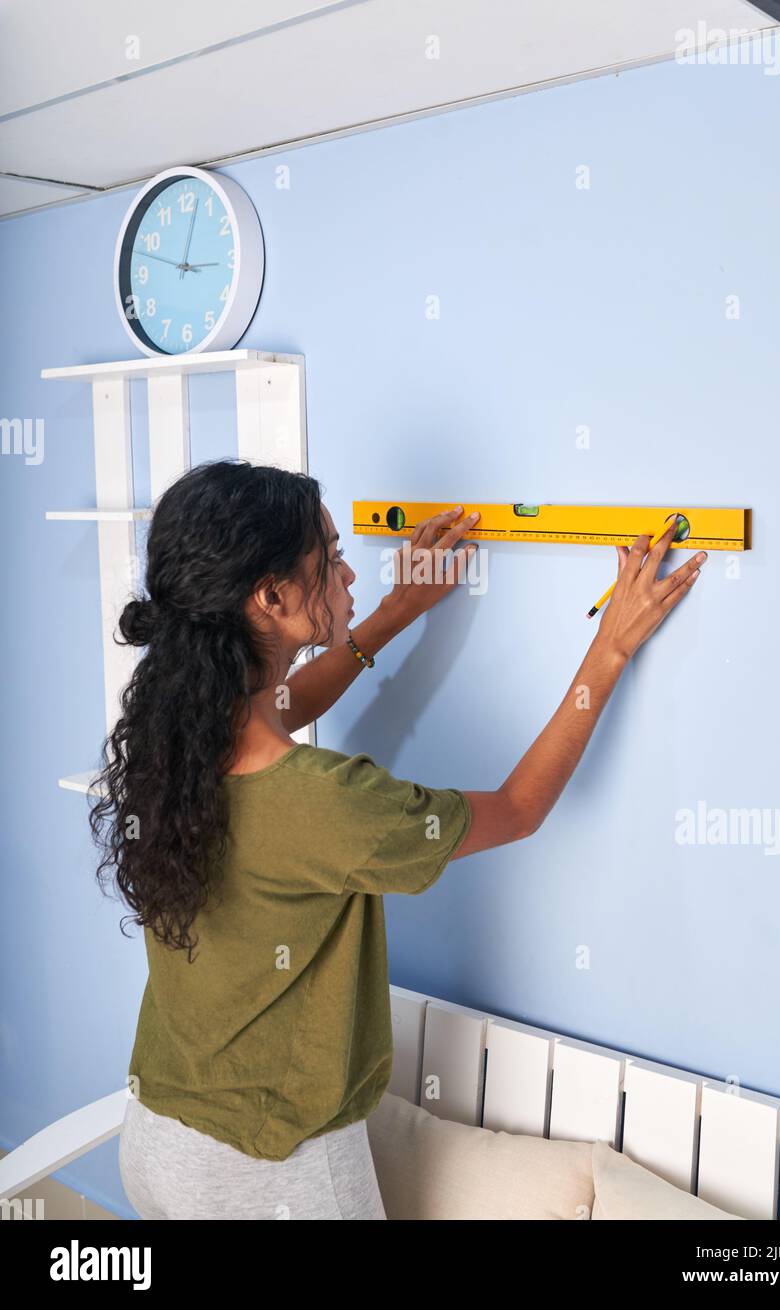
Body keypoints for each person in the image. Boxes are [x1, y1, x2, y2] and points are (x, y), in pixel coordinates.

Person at [94, 460, 705, 1220]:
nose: (350, 570)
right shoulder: (327, 801)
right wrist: (608, 652)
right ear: (272, 596)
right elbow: (518, 808)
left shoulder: (173, 735)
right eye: (330, 556)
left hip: (160, 1143)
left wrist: (393, 613)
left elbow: (279, 705)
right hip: (270, 1174)